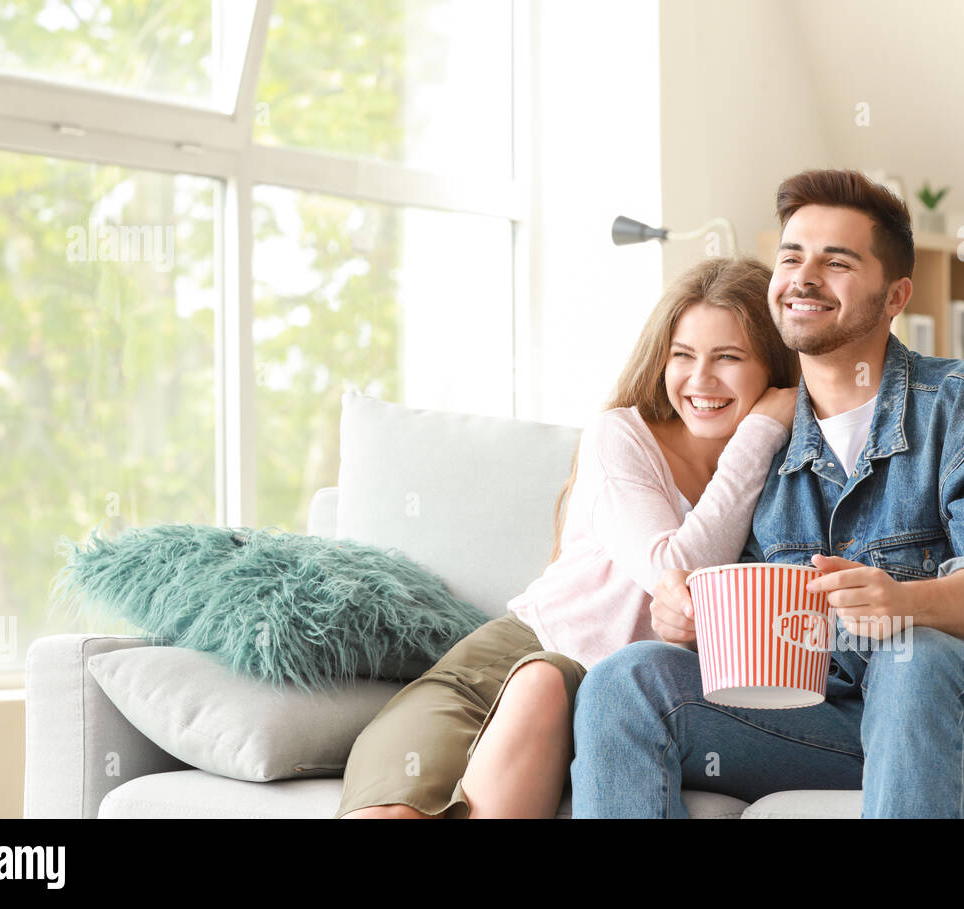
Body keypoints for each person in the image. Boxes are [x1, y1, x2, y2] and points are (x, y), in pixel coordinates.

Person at [569, 168, 964, 818]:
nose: (804, 277)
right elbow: (755, 630)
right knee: (626, 679)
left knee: (910, 656)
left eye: (836, 261)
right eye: (790, 256)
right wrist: (688, 622)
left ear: (896, 295)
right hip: (839, 721)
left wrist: (904, 602)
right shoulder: (760, 446)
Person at [335, 256, 801, 819]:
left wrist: (766, 439)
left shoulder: (785, 469)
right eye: (683, 355)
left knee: (546, 687)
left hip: (614, 704)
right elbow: (672, 574)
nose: (700, 380)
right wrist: (760, 429)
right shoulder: (622, 436)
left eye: (728, 357)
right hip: (498, 669)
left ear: (772, 366)